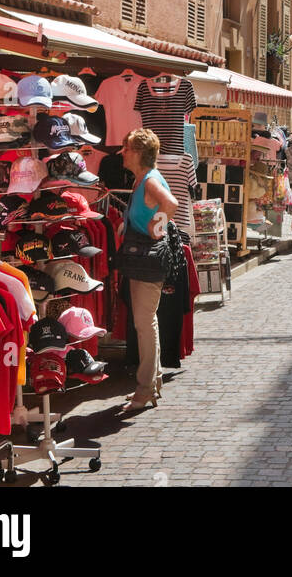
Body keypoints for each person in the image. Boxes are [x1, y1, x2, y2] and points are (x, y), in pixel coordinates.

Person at [119, 128, 179, 412]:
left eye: (127, 148)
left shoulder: (150, 181)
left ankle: (144, 391)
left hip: (148, 259)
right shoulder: (141, 180)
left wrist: (158, 227)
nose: (122, 152)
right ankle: (152, 384)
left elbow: (170, 203)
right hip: (142, 259)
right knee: (146, 323)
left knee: (144, 325)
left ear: (140, 153)